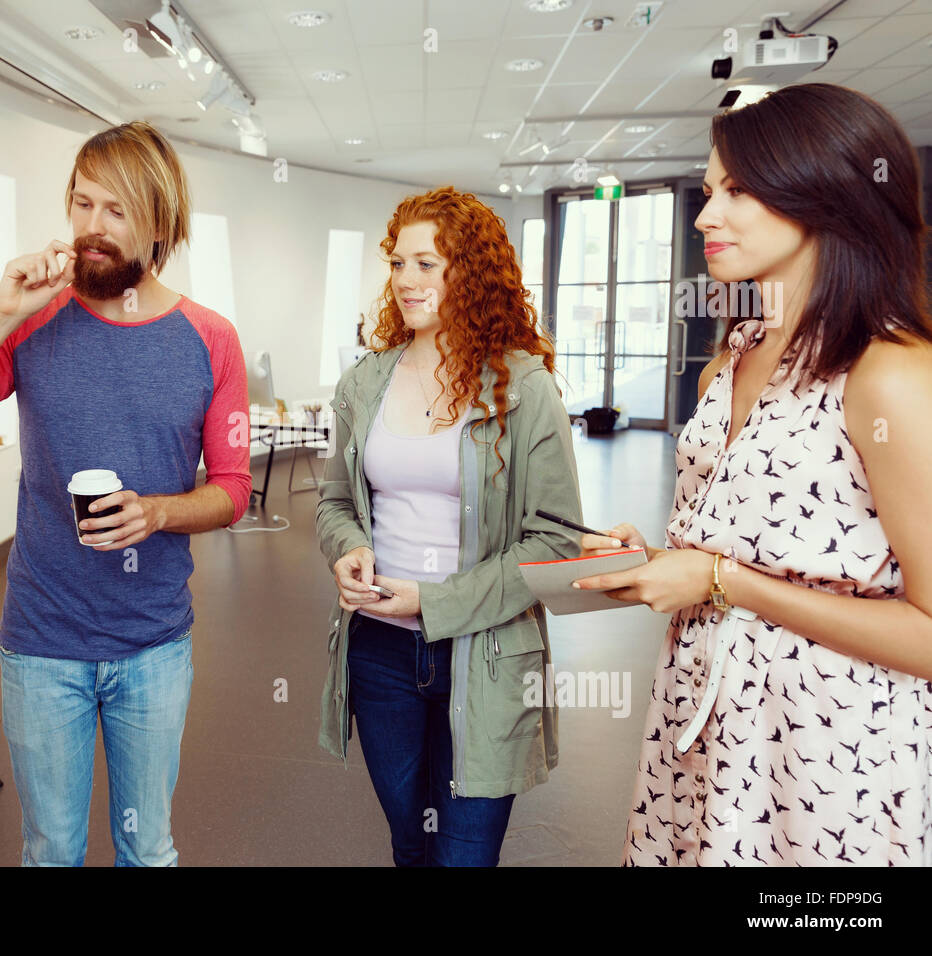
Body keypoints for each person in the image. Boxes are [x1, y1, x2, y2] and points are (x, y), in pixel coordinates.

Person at [573, 84, 932, 866]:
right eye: (708, 192)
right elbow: (723, 551)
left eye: (739, 190)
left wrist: (720, 580)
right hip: (702, 738)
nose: (706, 215)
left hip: (831, 767)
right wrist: (658, 561)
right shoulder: (728, 365)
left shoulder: (889, 376)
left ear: (827, 194)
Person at [0, 121, 251, 866]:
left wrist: (160, 512)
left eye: (115, 211)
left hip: (153, 644)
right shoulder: (36, 324)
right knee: (51, 850)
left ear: (160, 227)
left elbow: (234, 491)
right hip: (42, 645)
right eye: (82, 204)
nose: (90, 228)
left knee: (147, 849)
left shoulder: (211, 340)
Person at [315, 186, 584, 866]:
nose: (406, 280)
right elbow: (335, 503)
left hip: (487, 655)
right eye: (398, 263)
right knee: (411, 843)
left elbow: (555, 543)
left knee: (463, 855)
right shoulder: (365, 382)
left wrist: (429, 601)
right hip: (380, 653)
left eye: (427, 264)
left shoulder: (525, 387)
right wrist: (347, 549)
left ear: (471, 273)